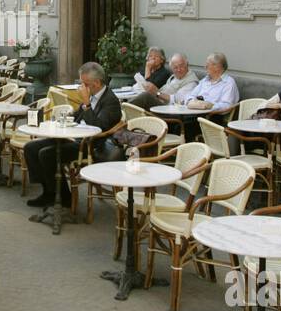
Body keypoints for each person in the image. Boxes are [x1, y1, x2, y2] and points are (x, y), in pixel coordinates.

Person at [23, 61, 123, 209]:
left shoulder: (110, 101)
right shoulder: (91, 96)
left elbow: (99, 127)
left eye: (85, 84)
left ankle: (64, 198)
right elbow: (77, 117)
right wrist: (67, 118)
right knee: (30, 148)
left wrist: (86, 103)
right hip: (73, 138)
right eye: (81, 83)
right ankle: (48, 192)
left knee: (47, 154)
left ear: (96, 82)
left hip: (91, 146)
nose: (81, 87)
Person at [128, 53, 197, 110]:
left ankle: (122, 112)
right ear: (172, 69)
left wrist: (156, 93)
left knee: (145, 96)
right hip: (160, 101)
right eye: (175, 67)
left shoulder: (191, 82)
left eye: (181, 66)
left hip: (168, 108)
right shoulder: (174, 77)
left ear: (187, 65)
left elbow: (176, 100)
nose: (178, 69)